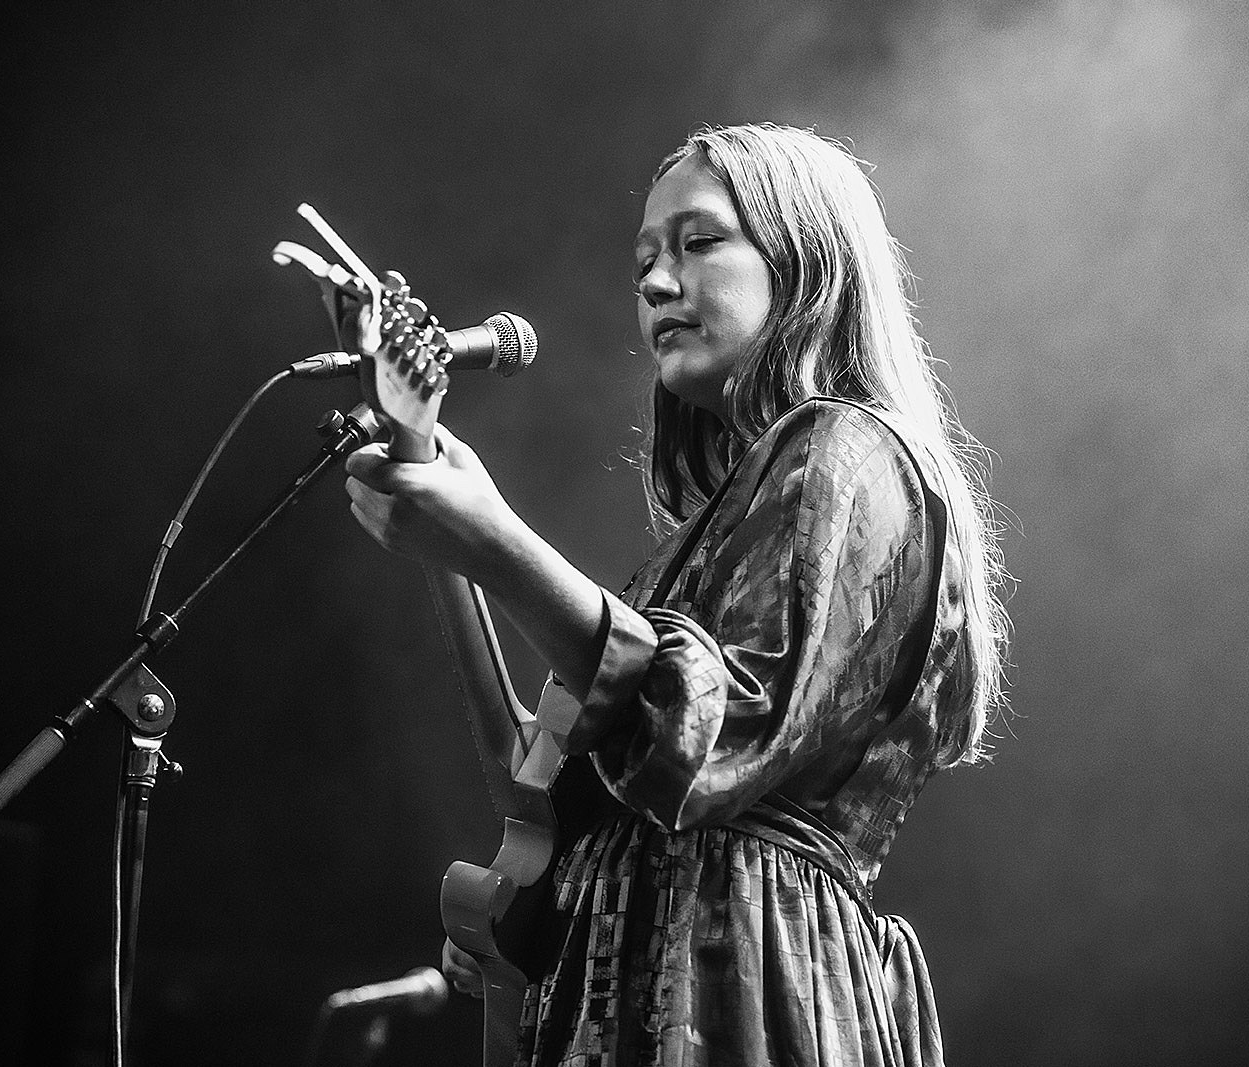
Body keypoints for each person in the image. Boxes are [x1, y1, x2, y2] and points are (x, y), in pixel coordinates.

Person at [344, 123, 1010, 1067]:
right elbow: (551, 780)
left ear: (807, 257)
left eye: (700, 243)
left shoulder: (847, 449)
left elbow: (701, 735)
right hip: (648, 976)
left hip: (742, 976)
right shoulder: (709, 539)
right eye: (646, 261)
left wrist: (494, 538)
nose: (657, 283)